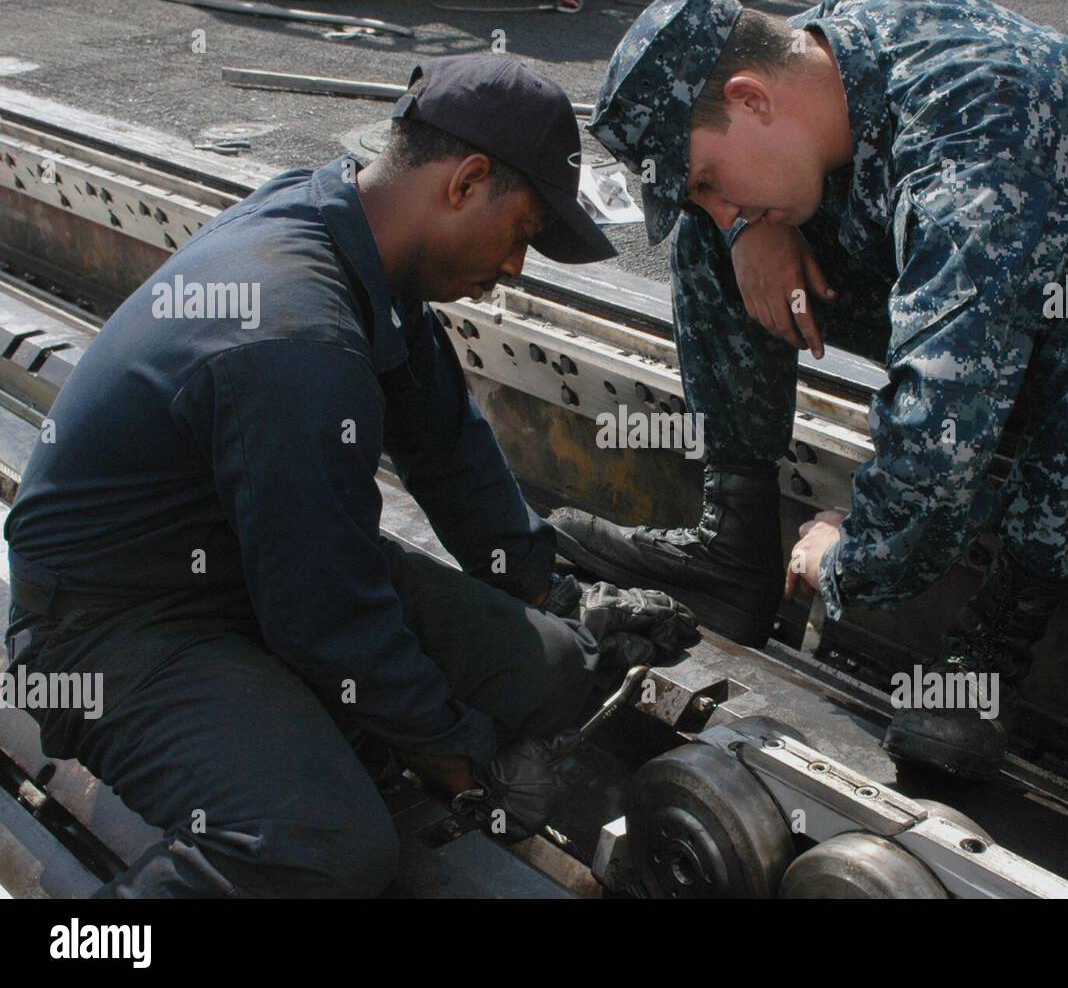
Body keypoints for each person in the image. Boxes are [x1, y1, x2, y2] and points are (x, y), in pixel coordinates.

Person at [552, 0, 1068, 779]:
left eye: (704, 178)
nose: (711, 199)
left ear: (751, 99)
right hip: (1030, 323)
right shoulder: (812, 53)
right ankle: (733, 548)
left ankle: (988, 654)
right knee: (721, 238)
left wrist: (849, 558)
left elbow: (946, 430)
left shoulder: (979, 123)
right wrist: (738, 228)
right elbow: (739, 185)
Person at [2, 54, 695, 898]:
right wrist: (462, 763)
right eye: (521, 233)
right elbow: (326, 614)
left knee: (549, 671)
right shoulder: (296, 334)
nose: (517, 267)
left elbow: (447, 449)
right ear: (467, 181)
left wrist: (552, 592)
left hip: (238, 565)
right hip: (112, 626)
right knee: (324, 851)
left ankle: (327, 728)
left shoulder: (352, 231)